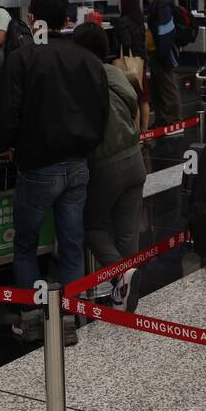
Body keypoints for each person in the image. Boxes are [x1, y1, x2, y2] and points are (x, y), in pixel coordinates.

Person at [0, 0, 107, 344]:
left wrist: (0, 145)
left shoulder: (23, 59)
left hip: (38, 167)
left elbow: (6, 111)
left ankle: (32, 317)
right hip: (78, 165)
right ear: (67, 19)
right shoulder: (88, 60)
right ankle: (70, 316)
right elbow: (102, 112)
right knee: (71, 242)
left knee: (25, 244)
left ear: (33, 18)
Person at [71, 22, 145, 309]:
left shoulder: (79, 79)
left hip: (105, 162)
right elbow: (133, 106)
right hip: (134, 156)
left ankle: (122, 277)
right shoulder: (115, 71)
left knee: (91, 225)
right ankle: (124, 293)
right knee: (127, 230)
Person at [136, 0, 182, 127]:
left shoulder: (162, 6)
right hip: (156, 53)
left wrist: (162, 54)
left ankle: (174, 121)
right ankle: (162, 120)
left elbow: (166, 33)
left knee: (168, 88)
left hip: (163, 54)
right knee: (157, 88)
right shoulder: (155, 5)